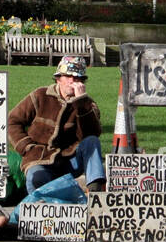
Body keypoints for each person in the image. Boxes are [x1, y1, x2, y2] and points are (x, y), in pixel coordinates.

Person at [8, 56, 105, 194]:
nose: (72, 81)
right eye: (68, 76)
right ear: (58, 78)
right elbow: (12, 121)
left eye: (77, 78)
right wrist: (27, 147)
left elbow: (91, 134)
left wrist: (81, 103)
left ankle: (95, 192)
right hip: (39, 159)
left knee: (92, 141)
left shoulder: (87, 104)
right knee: (38, 183)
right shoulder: (40, 95)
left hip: (69, 160)